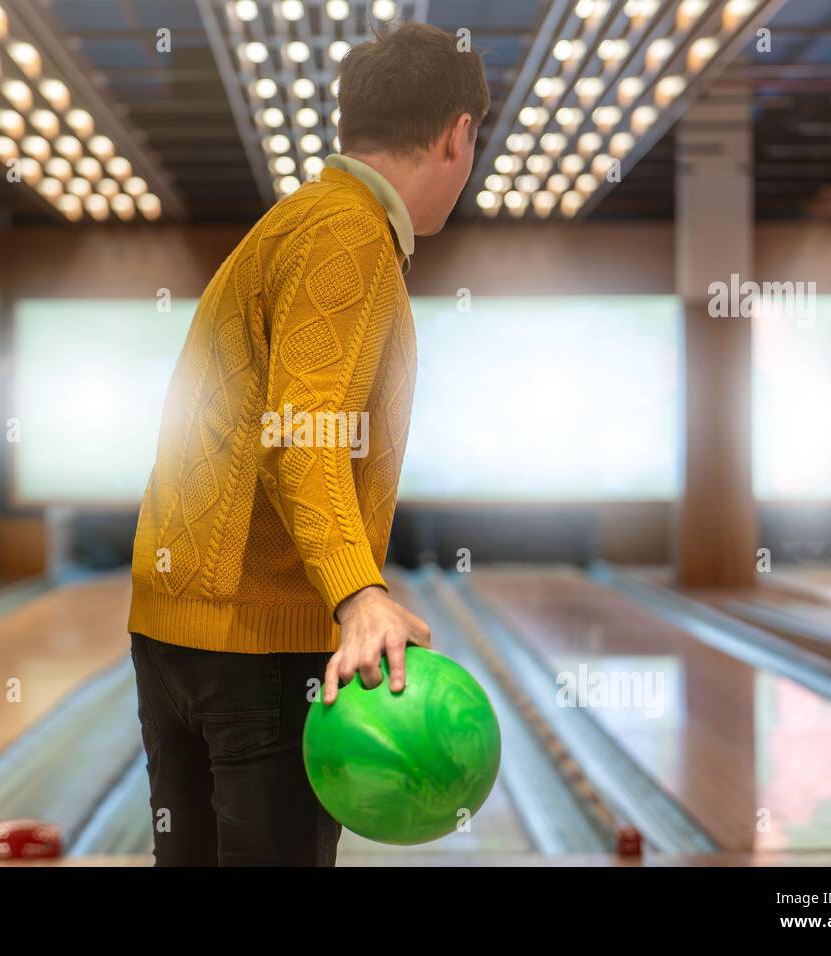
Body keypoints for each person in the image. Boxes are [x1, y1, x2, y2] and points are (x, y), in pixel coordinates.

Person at [127, 20, 490, 866]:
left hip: (179, 631)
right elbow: (305, 434)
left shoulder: (296, 221)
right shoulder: (349, 237)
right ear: (458, 135)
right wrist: (356, 592)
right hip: (258, 648)